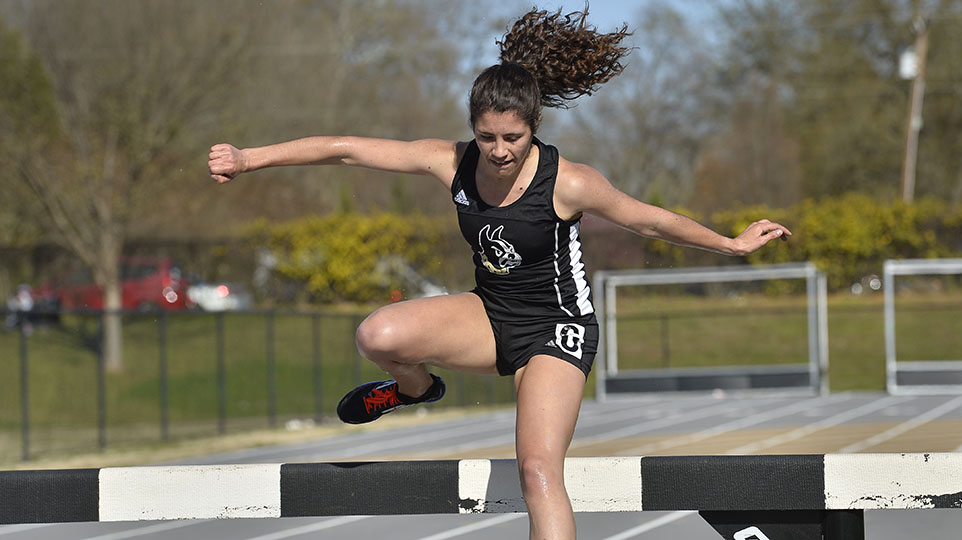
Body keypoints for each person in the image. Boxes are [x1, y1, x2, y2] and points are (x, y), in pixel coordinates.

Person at [208, 7, 790, 539]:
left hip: (556, 327)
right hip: (489, 315)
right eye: (486, 137)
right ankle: (414, 389)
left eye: (513, 138)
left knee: (537, 470)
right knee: (375, 335)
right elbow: (346, 149)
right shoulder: (452, 160)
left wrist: (731, 244)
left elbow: (653, 222)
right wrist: (248, 159)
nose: (500, 151)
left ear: (534, 125)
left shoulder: (570, 182)